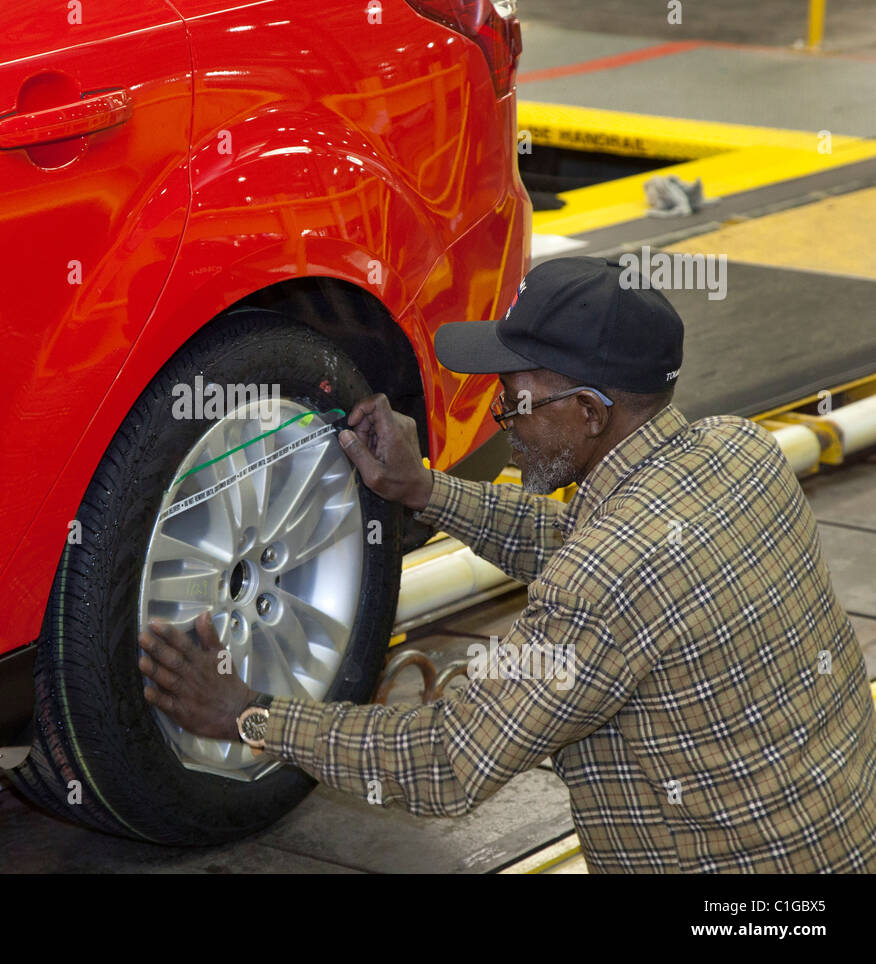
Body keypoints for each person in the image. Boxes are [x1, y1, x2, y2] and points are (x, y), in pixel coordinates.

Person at [138, 256, 876, 873]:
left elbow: (448, 761)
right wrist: (422, 488)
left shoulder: (607, 578)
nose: (500, 419)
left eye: (516, 403)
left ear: (590, 412)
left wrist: (249, 716)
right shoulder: (737, 451)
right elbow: (582, 539)